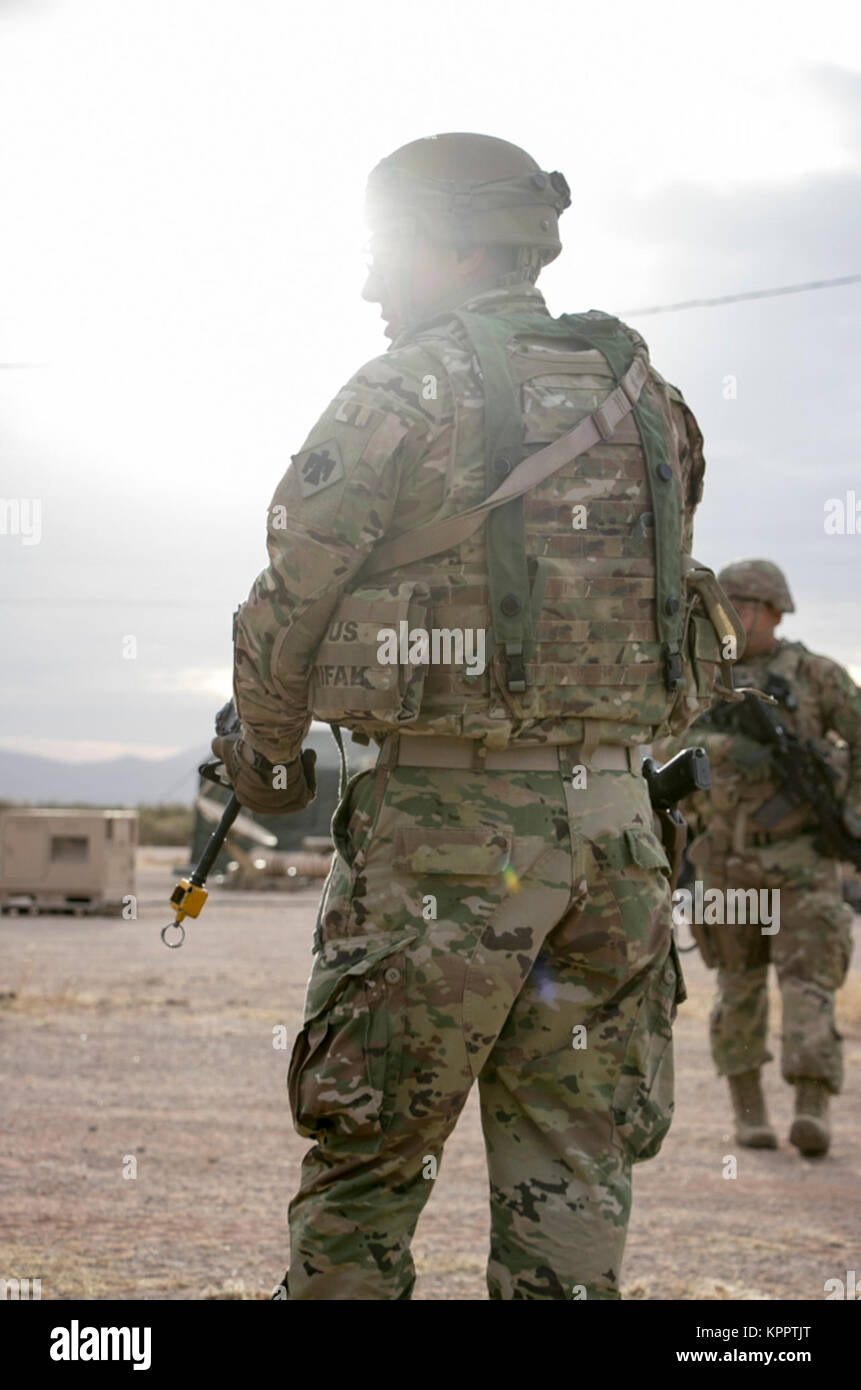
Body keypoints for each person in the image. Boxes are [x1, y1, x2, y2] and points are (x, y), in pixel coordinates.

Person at [212, 132, 730, 1299]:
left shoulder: (403, 389)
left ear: (444, 247)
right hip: (619, 842)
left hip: (446, 845)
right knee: (576, 1172)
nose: (368, 285)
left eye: (381, 252)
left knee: (368, 1163)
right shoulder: (654, 401)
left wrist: (267, 758)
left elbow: (289, 605)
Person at [681, 559, 861, 1157]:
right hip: (727, 862)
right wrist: (727, 746)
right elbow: (661, 739)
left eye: (742, 603)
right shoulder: (699, 673)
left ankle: (812, 1109)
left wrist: (851, 813)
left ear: (774, 610)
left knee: (809, 988)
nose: (727, 613)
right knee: (738, 991)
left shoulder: (816, 675)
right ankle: (749, 1113)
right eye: (722, 602)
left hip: (802, 862)